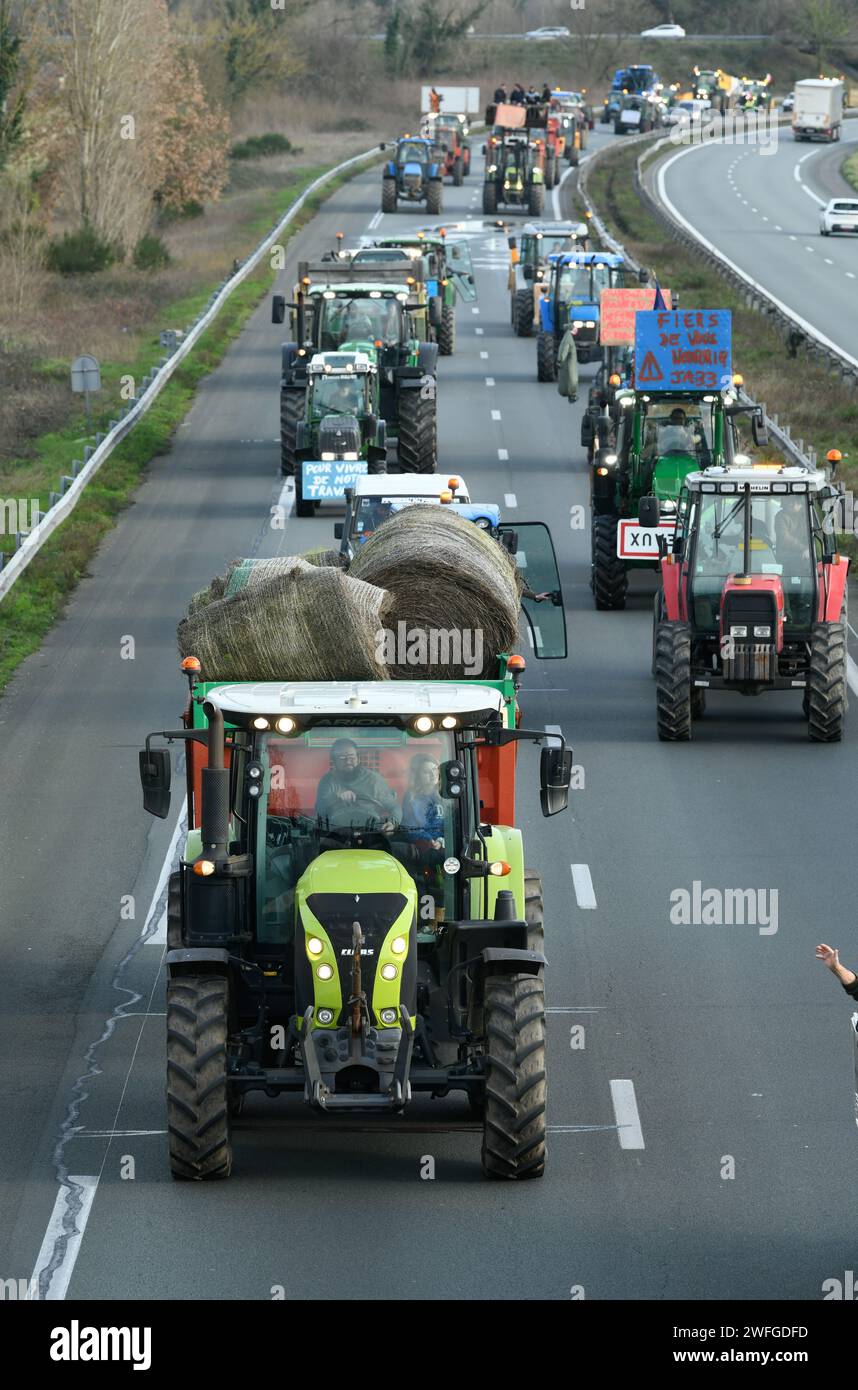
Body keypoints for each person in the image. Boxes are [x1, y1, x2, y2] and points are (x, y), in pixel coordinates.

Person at [315, 739, 400, 831]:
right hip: (337, 833)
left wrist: (392, 823)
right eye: (342, 757)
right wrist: (336, 796)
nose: (348, 761)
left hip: (371, 832)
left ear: (358, 758)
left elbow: (394, 807)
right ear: (334, 761)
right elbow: (320, 810)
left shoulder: (374, 780)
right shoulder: (327, 781)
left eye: (351, 757)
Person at [402, 755, 445, 849]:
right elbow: (409, 828)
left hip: (446, 847)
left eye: (434, 769)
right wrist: (428, 840)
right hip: (420, 846)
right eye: (426, 772)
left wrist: (442, 841)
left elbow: (455, 826)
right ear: (418, 776)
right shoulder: (411, 798)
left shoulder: (446, 796)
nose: (432, 774)